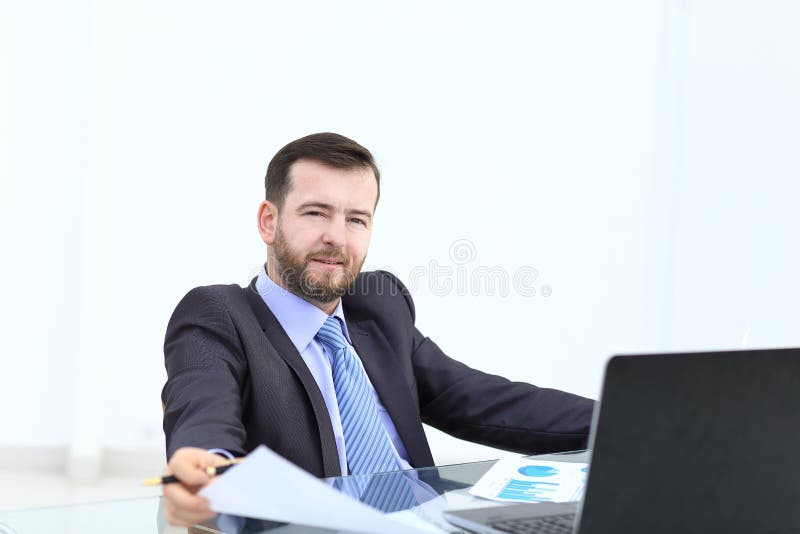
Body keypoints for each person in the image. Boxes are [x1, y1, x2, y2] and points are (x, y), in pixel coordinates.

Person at [160, 132, 594, 526]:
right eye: (316, 213)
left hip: (435, 520)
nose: (337, 237)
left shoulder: (379, 306)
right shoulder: (220, 314)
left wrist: (624, 422)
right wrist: (205, 463)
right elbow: (202, 406)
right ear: (268, 222)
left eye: (356, 219)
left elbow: (480, 400)